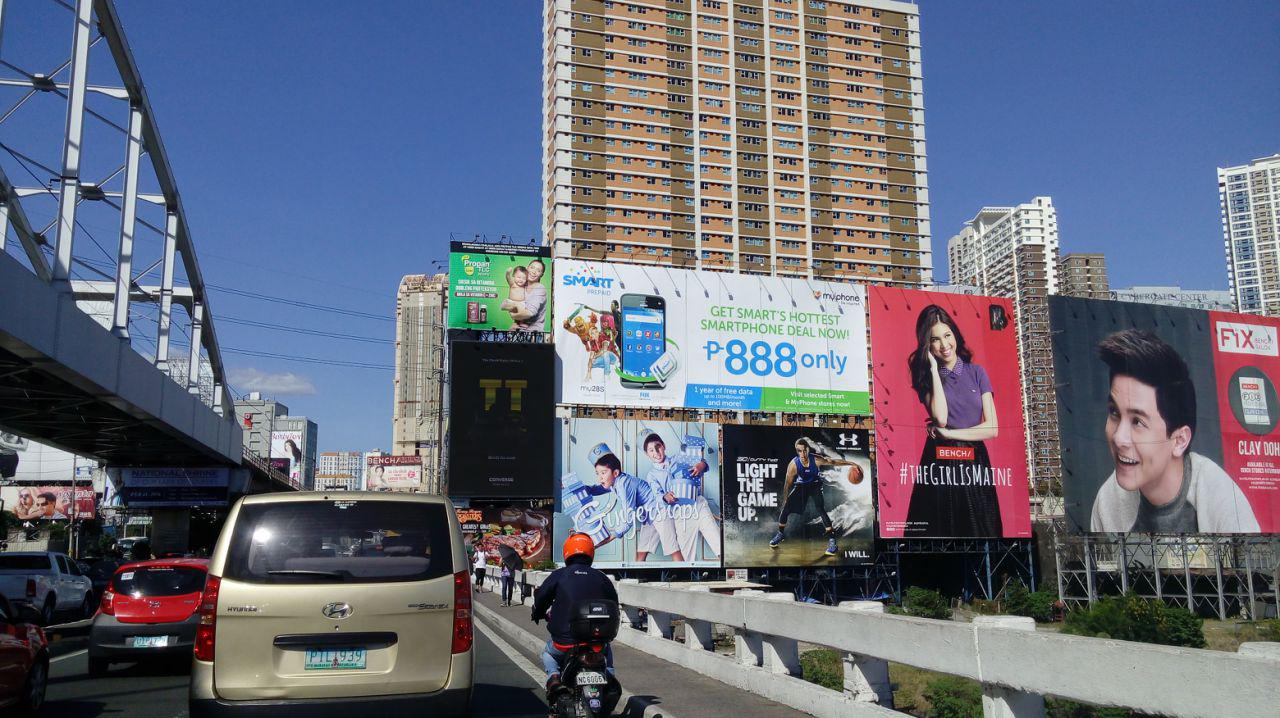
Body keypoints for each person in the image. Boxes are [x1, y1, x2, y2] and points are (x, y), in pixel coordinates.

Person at [1090, 330, 1260, 533]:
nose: (1119, 438)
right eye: (1114, 412)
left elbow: (1255, 563)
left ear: (1179, 440)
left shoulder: (1220, 496)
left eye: (1137, 421)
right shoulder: (1108, 501)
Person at [903, 304, 1003, 537]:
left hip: (974, 460)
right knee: (942, 532)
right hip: (940, 461)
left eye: (947, 335)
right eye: (935, 339)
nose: (944, 344)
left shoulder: (977, 372)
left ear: (955, 335)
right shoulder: (925, 378)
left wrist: (950, 434)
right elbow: (941, 417)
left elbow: (992, 428)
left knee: (982, 531)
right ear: (927, 345)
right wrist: (934, 371)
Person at [531, 533, 619, 698]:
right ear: (591, 552)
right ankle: (610, 678)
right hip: (596, 642)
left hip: (565, 643)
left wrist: (537, 612)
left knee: (548, 653)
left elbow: (542, 597)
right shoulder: (601, 577)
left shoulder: (559, 575)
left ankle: (554, 678)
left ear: (567, 552)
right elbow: (613, 604)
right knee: (607, 651)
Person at [769, 437, 861, 556]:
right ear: (797, 451)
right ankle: (780, 534)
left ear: (808, 449)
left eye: (804, 450)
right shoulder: (793, 465)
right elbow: (787, 484)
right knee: (785, 509)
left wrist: (851, 463)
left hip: (815, 485)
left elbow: (832, 462)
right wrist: (785, 499)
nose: (802, 453)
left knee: (820, 509)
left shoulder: (816, 459)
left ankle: (832, 541)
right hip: (801, 486)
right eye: (799, 451)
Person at [584, 443, 673, 562]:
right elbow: (595, 489)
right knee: (641, 554)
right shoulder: (614, 482)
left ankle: (687, 576)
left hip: (660, 513)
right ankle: (637, 576)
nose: (600, 478)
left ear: (615, 473)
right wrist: (575, 488)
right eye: (597, 473)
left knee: (673, 550)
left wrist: (610, 537)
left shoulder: (623, 484)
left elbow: (628, 518)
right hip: (650, 517)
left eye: (603, 473)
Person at [643, 432, 721, 560]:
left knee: (715, 537)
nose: (656, 452)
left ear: (663, 446)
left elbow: (702, 463)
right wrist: (665, 497)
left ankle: (730, 570)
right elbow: (658, 495)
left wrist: (701, 465)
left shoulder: (678, 458)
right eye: (651, 450)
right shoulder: (652, 475)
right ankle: (689, 576)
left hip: (698, 503)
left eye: (658, 447)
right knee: (686, 554)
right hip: (680, 512)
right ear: (647, 454)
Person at [508, 258, 549, 331]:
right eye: (532, 267)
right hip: (519, 329)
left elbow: (529, 313)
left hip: (534, 332)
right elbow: (514, 305)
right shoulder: (521, 284)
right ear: (527, 268)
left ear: (541, 275)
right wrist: (516, 323)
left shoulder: (540, 288)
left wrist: (513, 316)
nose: (534, 272)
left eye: (538, 270)